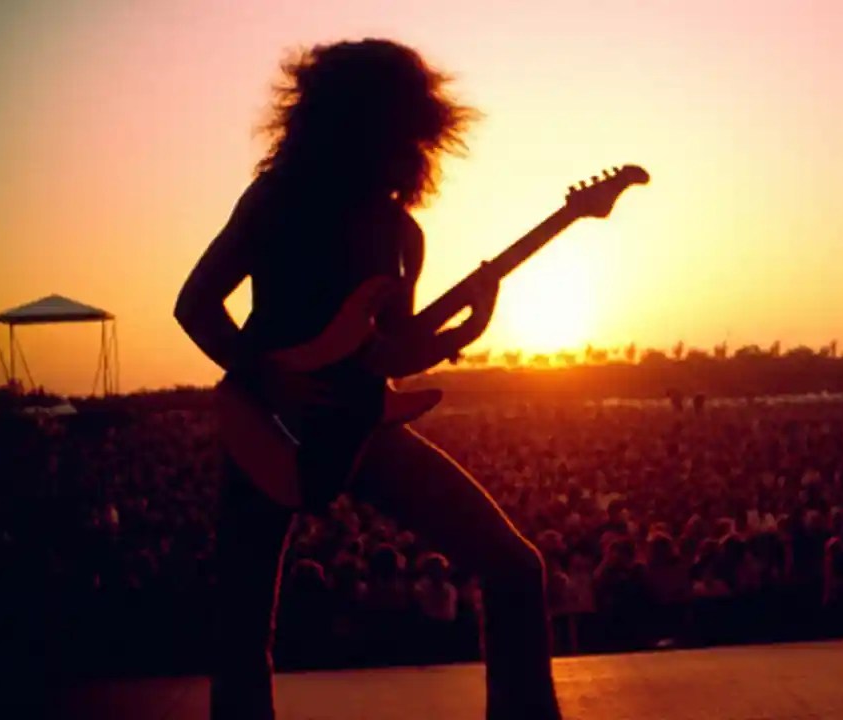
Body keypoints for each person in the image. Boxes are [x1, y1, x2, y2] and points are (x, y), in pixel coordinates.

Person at [174, 38, 562, 720]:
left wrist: (467, 328)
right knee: (242, 628)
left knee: (514, 567)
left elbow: (389, 352)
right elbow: (196, 303)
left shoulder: (400, 230)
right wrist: (267, 379)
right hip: (267, 424)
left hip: (360, 423)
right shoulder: (278, 200)